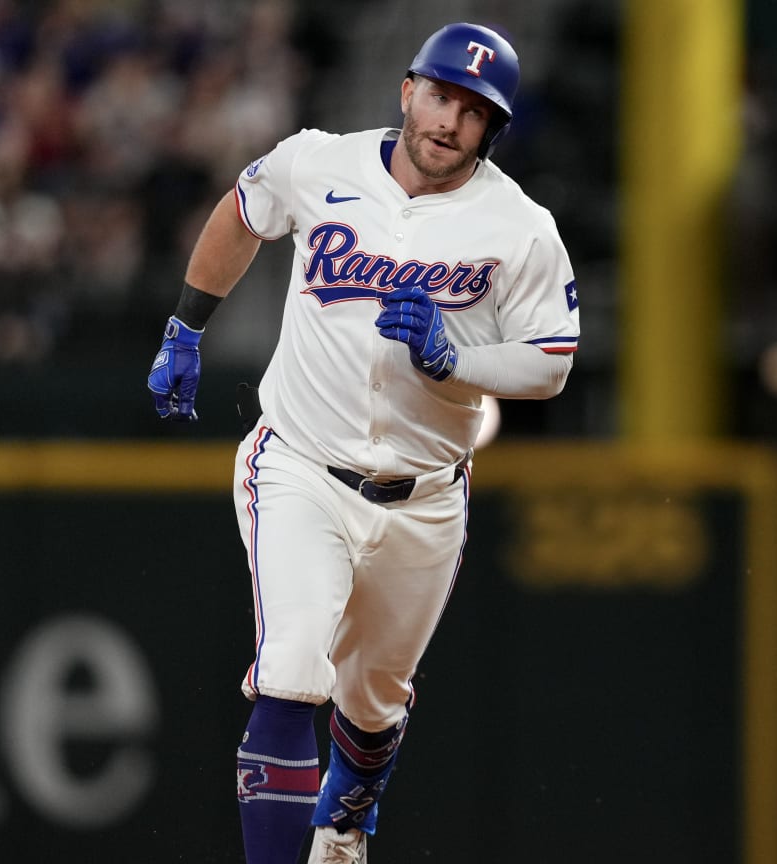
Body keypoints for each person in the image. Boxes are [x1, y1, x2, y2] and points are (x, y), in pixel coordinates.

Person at [145, 22, 579, 864]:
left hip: (424, 497)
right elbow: (243, 211)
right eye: (442, 95)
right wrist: (186, 325)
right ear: (408, 88)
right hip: (301, 465)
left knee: (373, 704)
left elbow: (552, 360)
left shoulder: (520, 226)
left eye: (474, 111)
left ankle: (346, 823)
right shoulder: (319, 161)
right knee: (292, 669)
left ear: (494, 130)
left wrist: (458, 359)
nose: (450, 121)